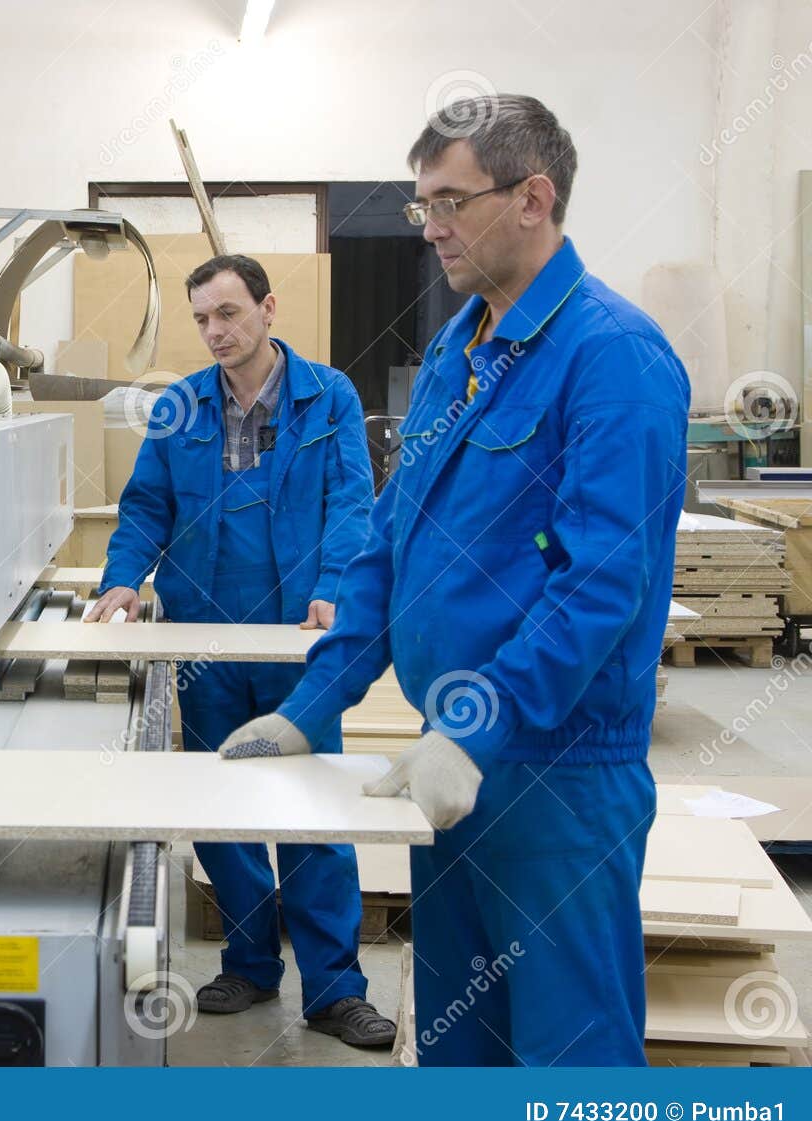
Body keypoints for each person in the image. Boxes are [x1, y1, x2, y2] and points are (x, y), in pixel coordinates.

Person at [220, 95, 690, 1066]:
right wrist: (313, 703)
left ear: (533, 198)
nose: (429, 225)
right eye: (419, 203)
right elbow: (390, 544)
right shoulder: (456, 352)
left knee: (569, 1058)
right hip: (446, 774)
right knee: (456, 1044)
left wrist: (472, 727)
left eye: (449, 200)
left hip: (554, 775)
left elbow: (600, 584)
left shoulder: (613, 356)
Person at [89, 254, 394, 1046]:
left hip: (294, 637)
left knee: (310, 808)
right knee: (223, 811)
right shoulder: (181, 408)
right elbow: (147, 506)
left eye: (228, 313)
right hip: (205, 634)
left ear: (267, 308)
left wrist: (334, 585)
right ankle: (251, 964)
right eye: (202, 319)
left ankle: (334, 988)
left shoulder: (328, 396)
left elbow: (350, 502)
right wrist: (124, 579)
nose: (215, 332)